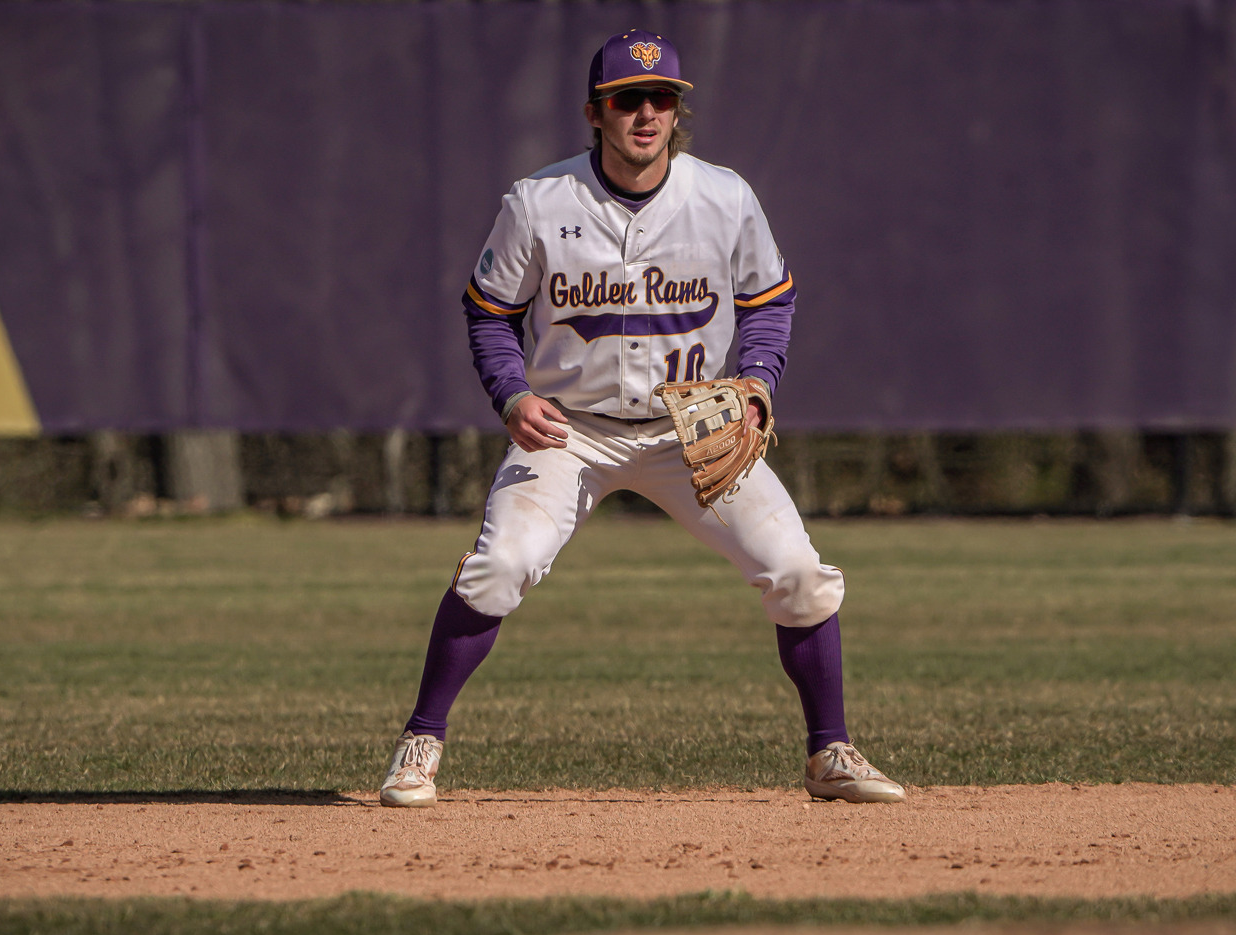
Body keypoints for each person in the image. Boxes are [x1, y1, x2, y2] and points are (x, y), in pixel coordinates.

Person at [379, 29, 903, 808]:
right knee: (500, 566)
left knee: (799, 575)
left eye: (662, 99)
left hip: (693, 426)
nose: (647, 113)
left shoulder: (724, 196)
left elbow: (769, 302)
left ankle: (830, 751)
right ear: (596, 112)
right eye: (629, 99)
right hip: (570, 428)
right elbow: (489, 313)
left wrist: (758, 383)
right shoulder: (538, 202)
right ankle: (420, 741)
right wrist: (512, 395)